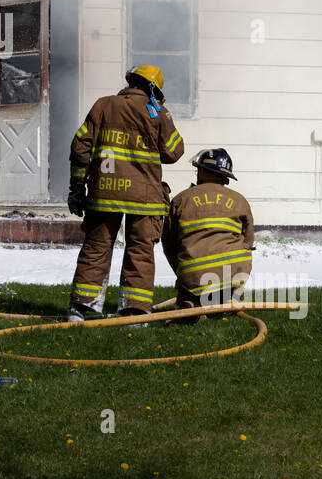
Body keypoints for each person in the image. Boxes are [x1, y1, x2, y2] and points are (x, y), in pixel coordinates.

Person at [67, 65, 184, 324]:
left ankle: (83, 308)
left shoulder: (103, 105)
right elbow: (174, 152)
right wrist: (163, 117)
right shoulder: (157, 111)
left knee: (96, 247)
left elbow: (80, 146)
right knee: (140, 250)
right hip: (144, 197)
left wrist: (76, 186)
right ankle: (135, 312)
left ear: (131, 83)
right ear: (153, 89)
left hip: (104, 193)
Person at [161, 148, 254, 321]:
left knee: (190, 281)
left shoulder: (181, 199)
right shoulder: (240, 200)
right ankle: (228, 299)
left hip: (194, 273)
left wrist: (183, 273)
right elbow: (248, 242)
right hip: (233, 273)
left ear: (203, 171)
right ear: (225, 176)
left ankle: (190, 303)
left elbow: (169, 243)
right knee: (235, 267)